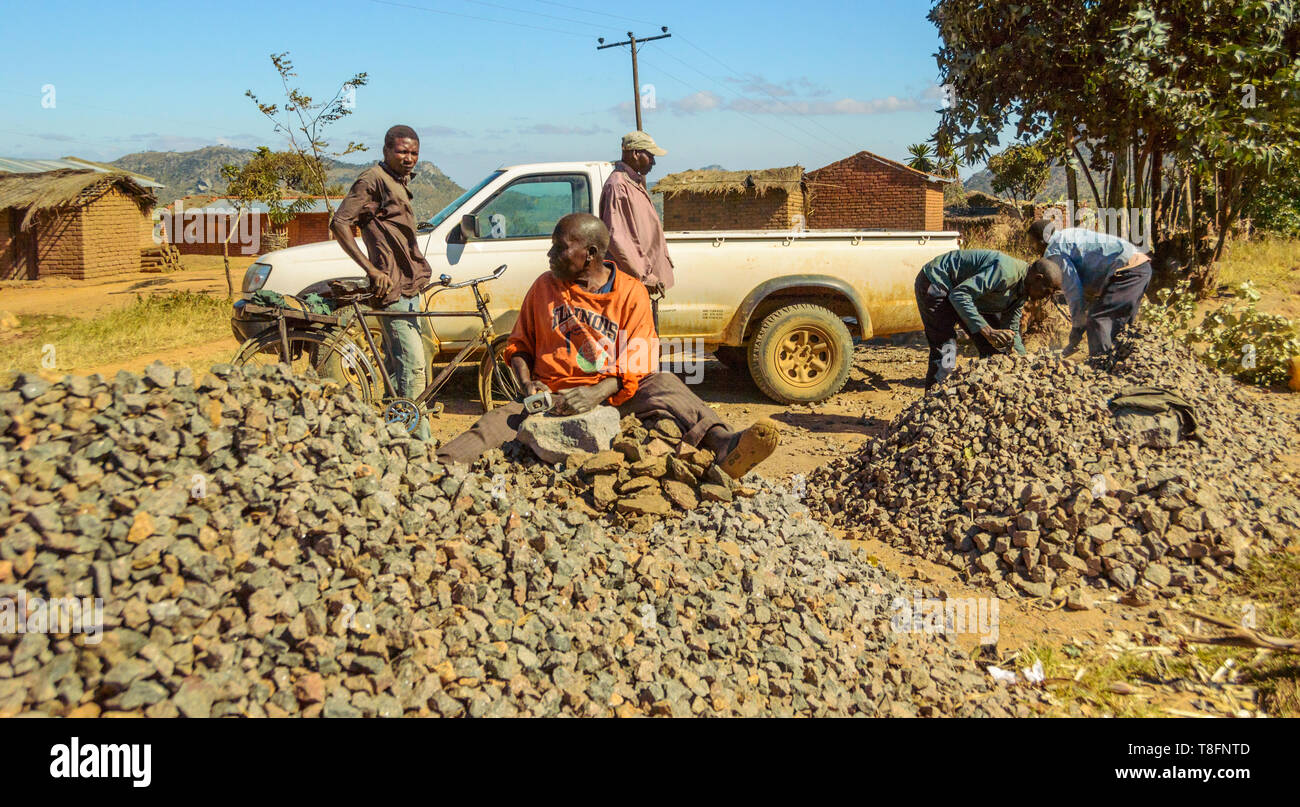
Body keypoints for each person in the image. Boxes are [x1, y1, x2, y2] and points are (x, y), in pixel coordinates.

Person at [437, 213, 778, 477]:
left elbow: (641, 357)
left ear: (591, 254)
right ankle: (436, 466)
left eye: (559, 248)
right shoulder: (544, 287)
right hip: (550, 400)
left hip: (614, 396)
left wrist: (596, 393)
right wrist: (528, 385)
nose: (550, 254)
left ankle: (725, 444)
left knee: (666, 385)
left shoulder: (631, 293)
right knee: (492, 425)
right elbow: (519, 346)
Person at [330, 125, 432, 439]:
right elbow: (340, 223)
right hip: (392, 289)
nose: (409, 158)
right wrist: (371, 270)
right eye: (402, 151)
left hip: (409, 285)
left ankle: (392, 437)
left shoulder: (398, 181)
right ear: (386, 150)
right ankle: (418, 442)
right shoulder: (372, 179)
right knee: (413, 368)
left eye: (414, 152)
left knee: (403, 367)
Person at [915, 248, 1061, 389]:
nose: (1046, 297)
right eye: (1047, 291)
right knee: (946, 349)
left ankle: (985, 395)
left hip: (963, 293)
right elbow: (959, 296)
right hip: (937, 282)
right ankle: (934, 401)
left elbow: (1012, 329)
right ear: (1037, 278)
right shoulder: (1005, 272)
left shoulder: (1022, 291)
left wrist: (1025, 364)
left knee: (995, 346)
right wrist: (988, 331)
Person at [1028, 219, 1152, 357]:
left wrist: (1077, 328)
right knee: (1122, 325)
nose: (1032, 248)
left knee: (1098, 319)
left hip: (1128, 270)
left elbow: (1073, 291)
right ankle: (1124, 365)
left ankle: (1099, 367)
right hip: (1140, 267)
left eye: (1032, 243)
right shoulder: (1067, 236)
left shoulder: (1054, 251)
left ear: (1041, 241)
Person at [599, 131, 674, 327]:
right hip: (629, 281)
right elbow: (619, 239)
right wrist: (645, 276)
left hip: (638, 282)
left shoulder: (633, 183)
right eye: (650, 156)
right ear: (634, 153)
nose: (653, 162)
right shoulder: (618, 186)